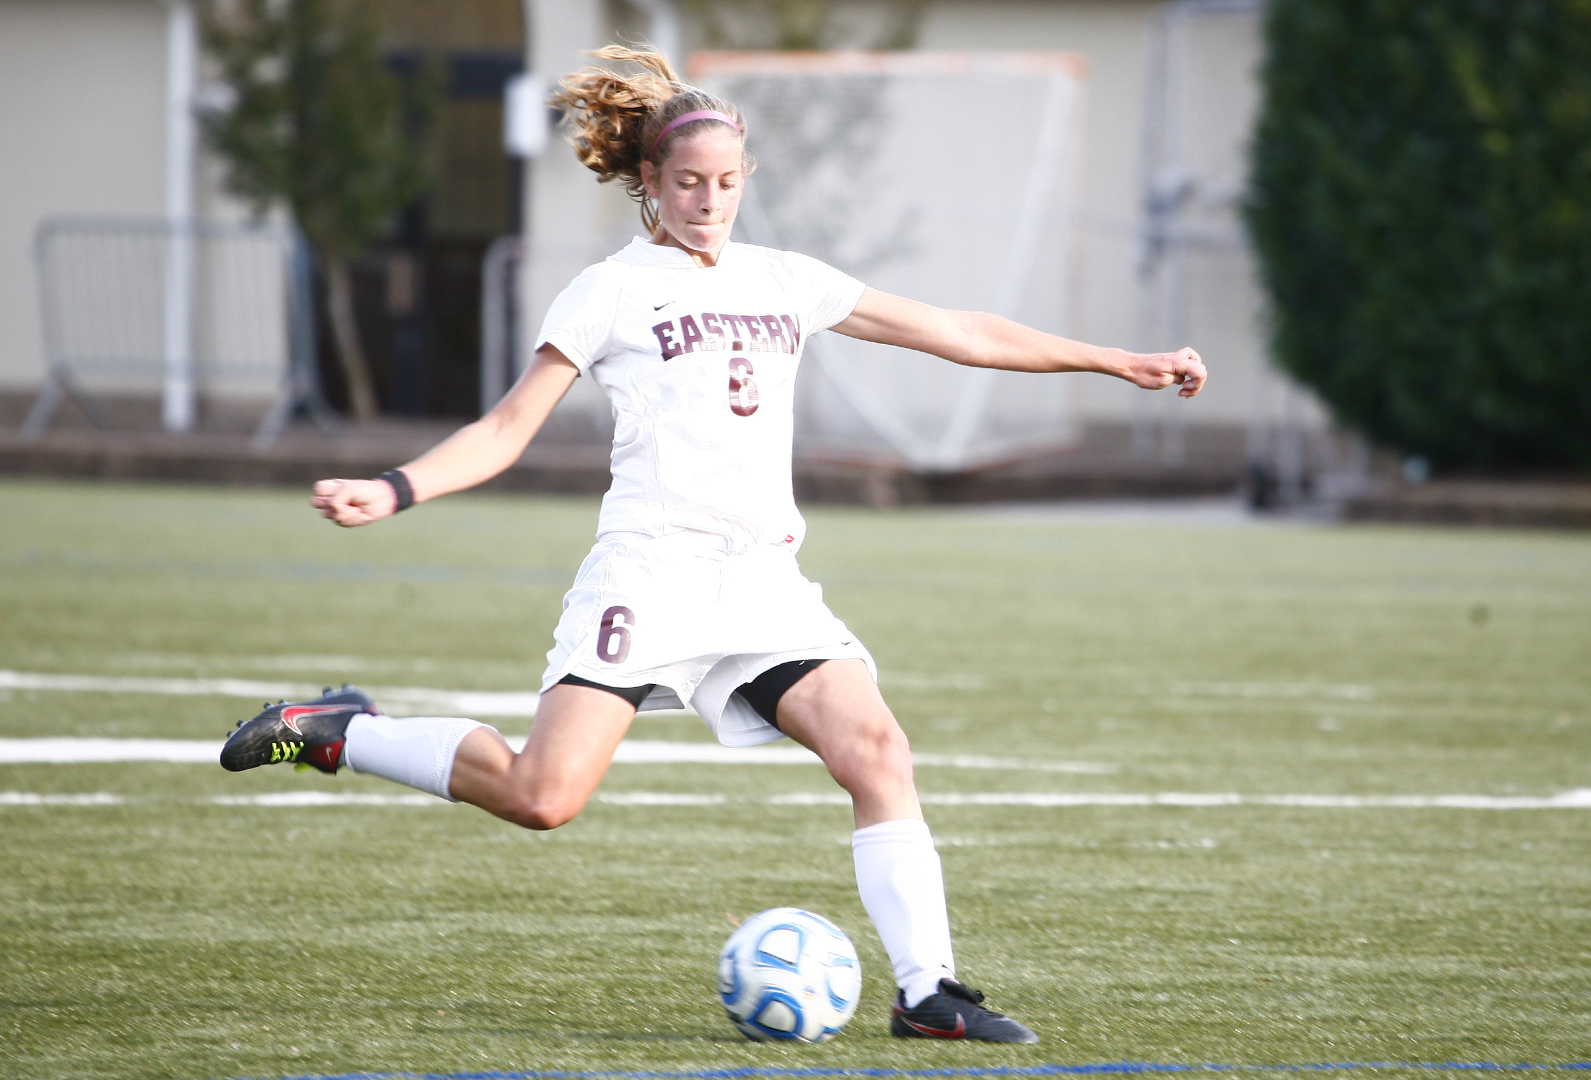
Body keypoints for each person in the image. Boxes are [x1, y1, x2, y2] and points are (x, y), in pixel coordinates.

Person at [221, 45, 1206, 1044]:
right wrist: (396, 489)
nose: (709, 200)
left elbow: (959, 329)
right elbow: (505, 429)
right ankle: (343, 730)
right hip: (651, 577)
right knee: (541, 796)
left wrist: (1117, 361)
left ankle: (928, 993)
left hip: (764, 584)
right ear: (648, 182)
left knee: (876, 750)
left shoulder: (786, 279)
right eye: (689, 183)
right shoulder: (609, 291)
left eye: (728, 183)